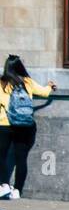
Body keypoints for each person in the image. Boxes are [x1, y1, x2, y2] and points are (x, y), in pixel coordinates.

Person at [0, 55, 56, 200]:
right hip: (24, 125)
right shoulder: (27, 82)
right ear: (20, 67)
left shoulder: (2, 83)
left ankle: (4, 184)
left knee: (1, 156)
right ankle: (17, 190)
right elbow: (44, 92)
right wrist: (50, 86)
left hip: (4, 124)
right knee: (21, 158)